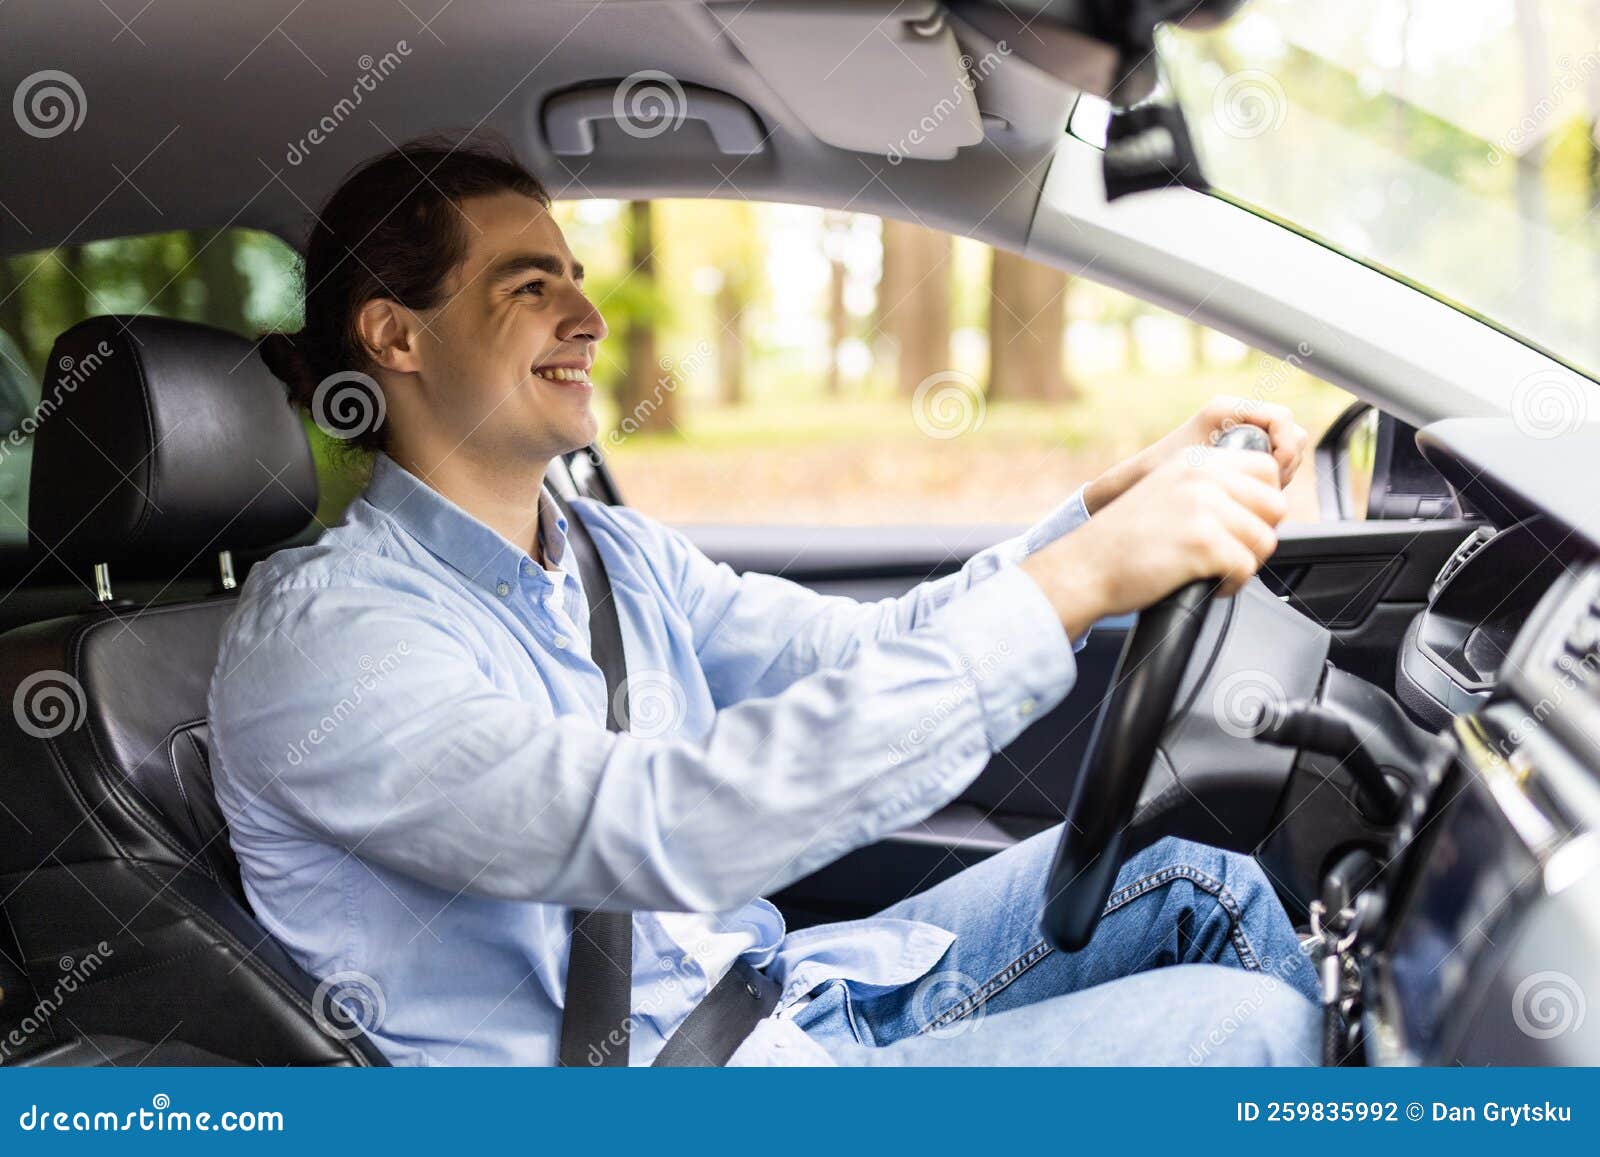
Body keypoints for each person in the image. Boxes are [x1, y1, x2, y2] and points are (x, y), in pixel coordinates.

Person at [209, 137, 1320, 1068]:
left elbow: (858, 649)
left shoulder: (608, 550)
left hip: (782, 1004)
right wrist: (1072, 585)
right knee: (1248, 1029)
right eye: (530, 285)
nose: (589, 316)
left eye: (576, 277)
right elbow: (658, 826)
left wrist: (1092, 522)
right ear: (395, 336)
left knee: (1189, 875)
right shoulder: (325, 639)